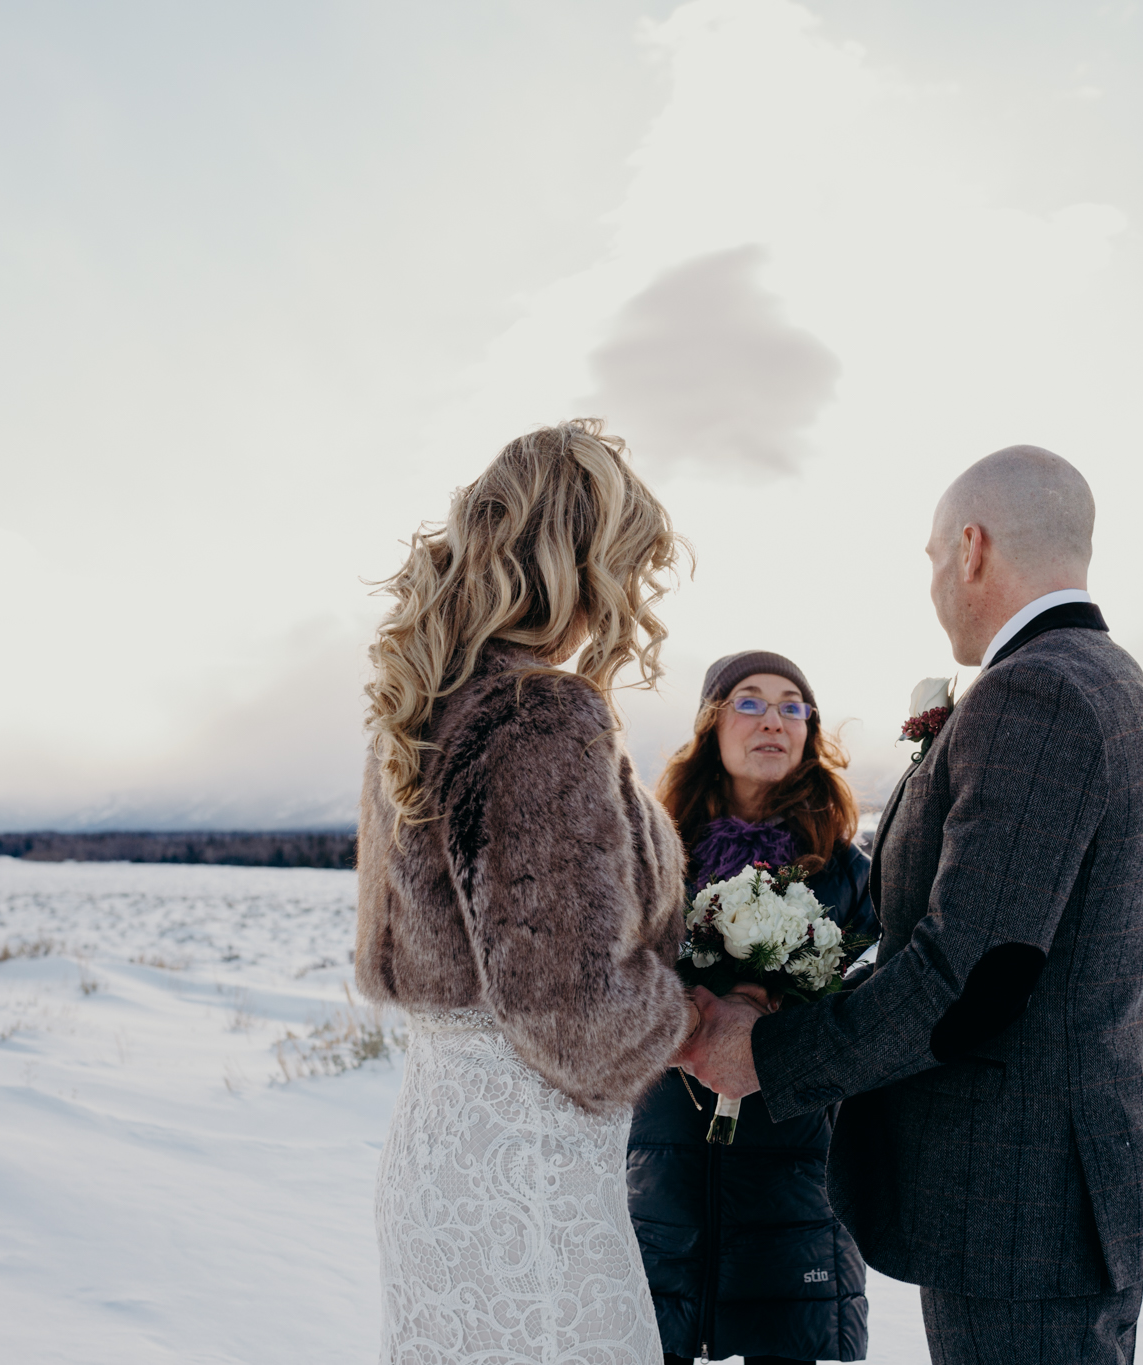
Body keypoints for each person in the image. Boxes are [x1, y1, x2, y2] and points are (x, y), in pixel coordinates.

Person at [681, 445, 1143, 1365]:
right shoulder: (1108, 676)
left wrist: (767, 1054)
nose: (933, 584)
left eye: (931, 558)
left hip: (1019, 1203)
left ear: (971, 548)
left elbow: (972, 978)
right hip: (1045, 1193)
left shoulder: (1036, 691)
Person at [353, 418, 693, 1365]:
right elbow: (572, 1014)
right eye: (627, 563)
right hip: (529, 1184)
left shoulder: (416, 705)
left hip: (435, 1157)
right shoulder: (539, 714)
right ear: (583, 562)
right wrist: (693, 1013)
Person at [629, 651, 878, 1365]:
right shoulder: (654, 856)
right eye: (750, 700)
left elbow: (879, 1000)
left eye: (792, 705)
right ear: (711, 725)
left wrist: (783, 1006)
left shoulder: (848, 871)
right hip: (667, 1169)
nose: (774, 719)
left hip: (797, 1180)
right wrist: (688, 1010)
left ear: (809, 731)